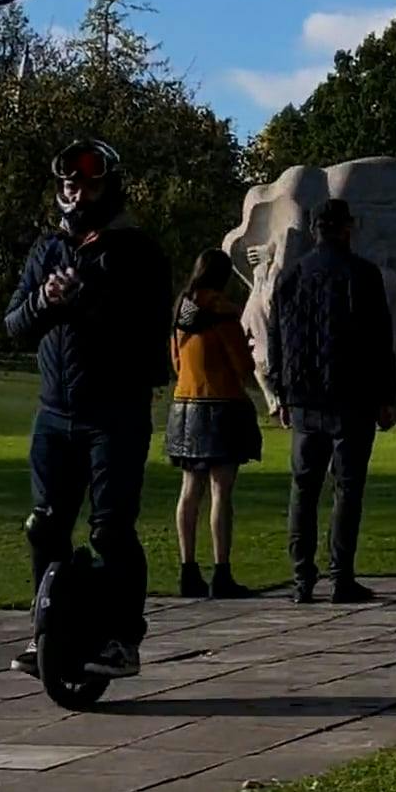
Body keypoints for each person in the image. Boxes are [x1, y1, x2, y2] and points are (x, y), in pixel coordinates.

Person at [5, 138, 175, 677]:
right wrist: (45, 301)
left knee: (110, 531)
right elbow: (13, 326)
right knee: (44, 525)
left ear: (108, 186)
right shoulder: (46, 250)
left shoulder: (136, 252)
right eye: (68, 184)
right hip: (54, 413)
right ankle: (46, 631)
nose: (76, 193)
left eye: (87, 183)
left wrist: (88, 299)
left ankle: (123, 639)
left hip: (115, 415)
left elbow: (147, 339)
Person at [263, 198, 396, 604]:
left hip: (305, 398)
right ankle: (341, 576)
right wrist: (386, 395)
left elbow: (276, 337)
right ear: (347, 228)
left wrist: (280, 389)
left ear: (313, 230)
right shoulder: (363, 275)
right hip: (352, 397)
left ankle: (302, 577)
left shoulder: (291, 276)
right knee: (347, 488)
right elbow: (380, 340)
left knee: (304, 489)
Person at [165, 247, 263, 598]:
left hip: (185, 404)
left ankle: (187, 568)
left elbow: (176, 361)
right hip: (221, 404)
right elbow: (243, 366)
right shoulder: (221, 312)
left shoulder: (182, 310)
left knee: (189, 491)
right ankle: (222, 571)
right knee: (221, 490)